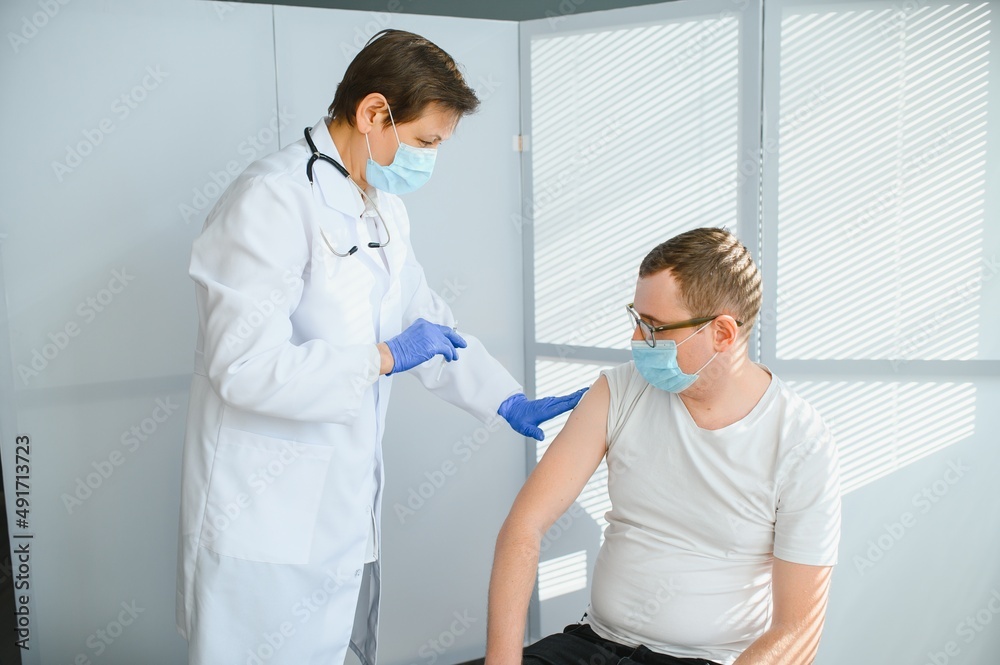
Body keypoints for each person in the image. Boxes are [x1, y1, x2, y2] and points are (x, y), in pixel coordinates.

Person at [175, 29, 585, 665]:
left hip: (347, 515)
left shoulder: (382, 207)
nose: (430, 160)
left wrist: (506, 399)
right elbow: (244, 367)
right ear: (373, 114)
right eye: (425, 141)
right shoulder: (272, 199)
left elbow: (427, 322)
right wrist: (384, 357)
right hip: (269, 516)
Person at [485, 228, 842, 665]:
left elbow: (797, 629)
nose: (637, 342)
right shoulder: (619, 390)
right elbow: (525, 526)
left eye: (654, 328)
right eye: (637, 320)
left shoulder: (800, 441)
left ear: (723, 334)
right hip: (590, 645)